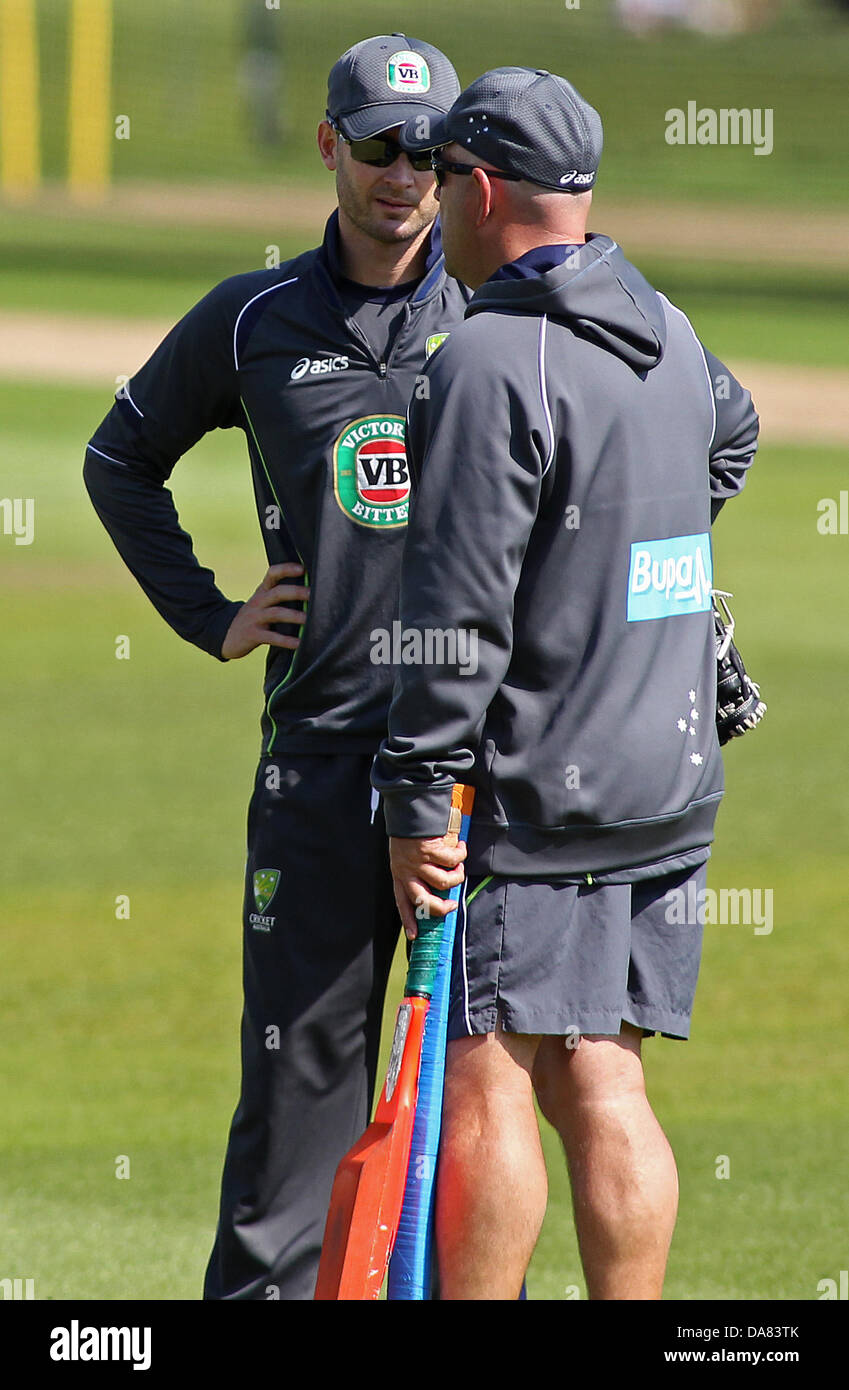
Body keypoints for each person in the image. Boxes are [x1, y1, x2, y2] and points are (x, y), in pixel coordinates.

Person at [83, 33, 469, 1301]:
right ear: (329, 147)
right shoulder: (256, 318)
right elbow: (117, 458)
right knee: (293, 1122)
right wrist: (209, 613)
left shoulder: (494, 315)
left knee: (473, 1133)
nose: (402, 174)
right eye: (377, 147)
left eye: (426, 150)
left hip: (472, 785)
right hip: (316, 769)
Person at [374, 67, 759, 1299]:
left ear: (481, 189)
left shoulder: (490, 356)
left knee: (489, 1068)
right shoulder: (665, 318)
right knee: (604, 1072)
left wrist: (416, 792)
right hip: (671, 782)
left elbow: (458, 615)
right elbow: (733, 433)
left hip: (540, 795)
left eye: (441, 176)